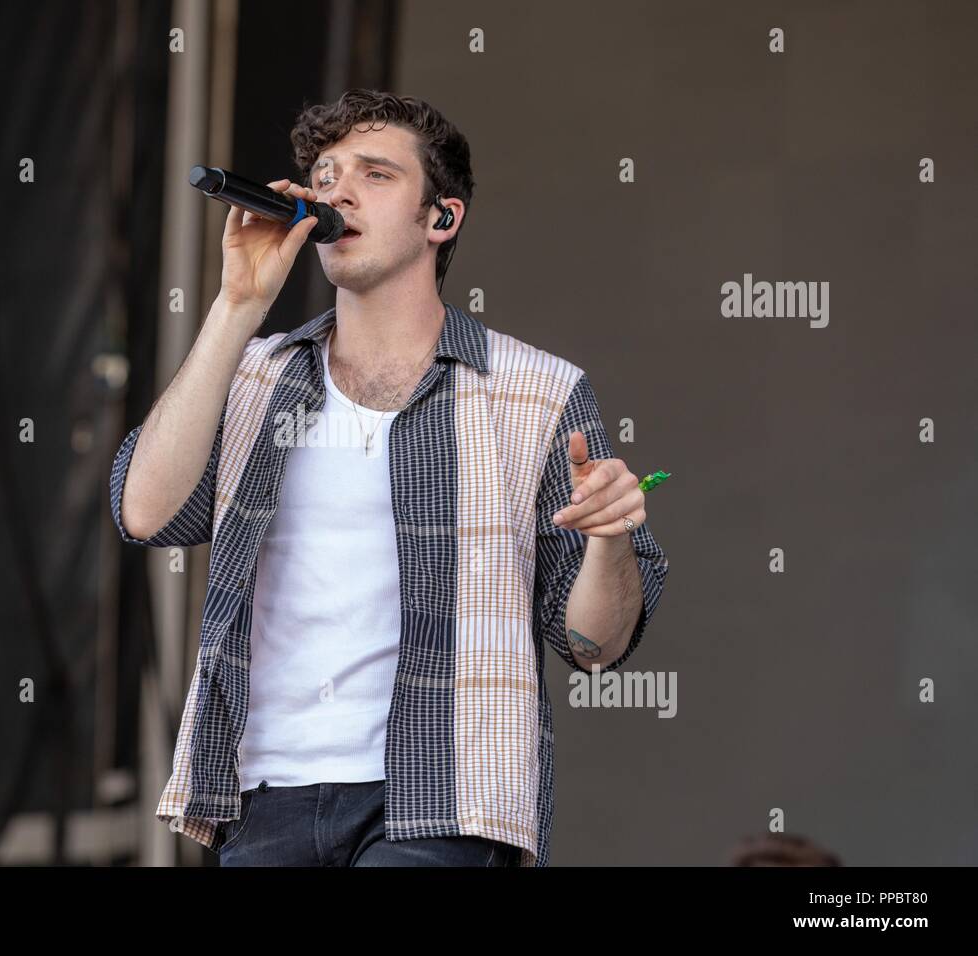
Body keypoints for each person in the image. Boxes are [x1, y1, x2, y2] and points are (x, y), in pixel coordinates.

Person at [110, 89, 670, 866]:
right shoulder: (253, 378)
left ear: (441, 218)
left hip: (442, 797)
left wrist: (611, 541)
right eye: (326, 173)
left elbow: (593, 646)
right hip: (263, 793)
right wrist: (238, 306)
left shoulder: (536, 391)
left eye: (375, 175)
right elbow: (144, 513)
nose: (336, 190)